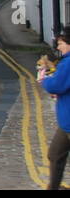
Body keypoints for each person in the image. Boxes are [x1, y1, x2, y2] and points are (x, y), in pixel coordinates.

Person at [39, 26, 70, 189]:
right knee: (55, 154)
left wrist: (44, 77)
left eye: (61, 43)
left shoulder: (69, 63)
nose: (58, 47)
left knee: (56, 155)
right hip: (66, 122)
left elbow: (56, 85)